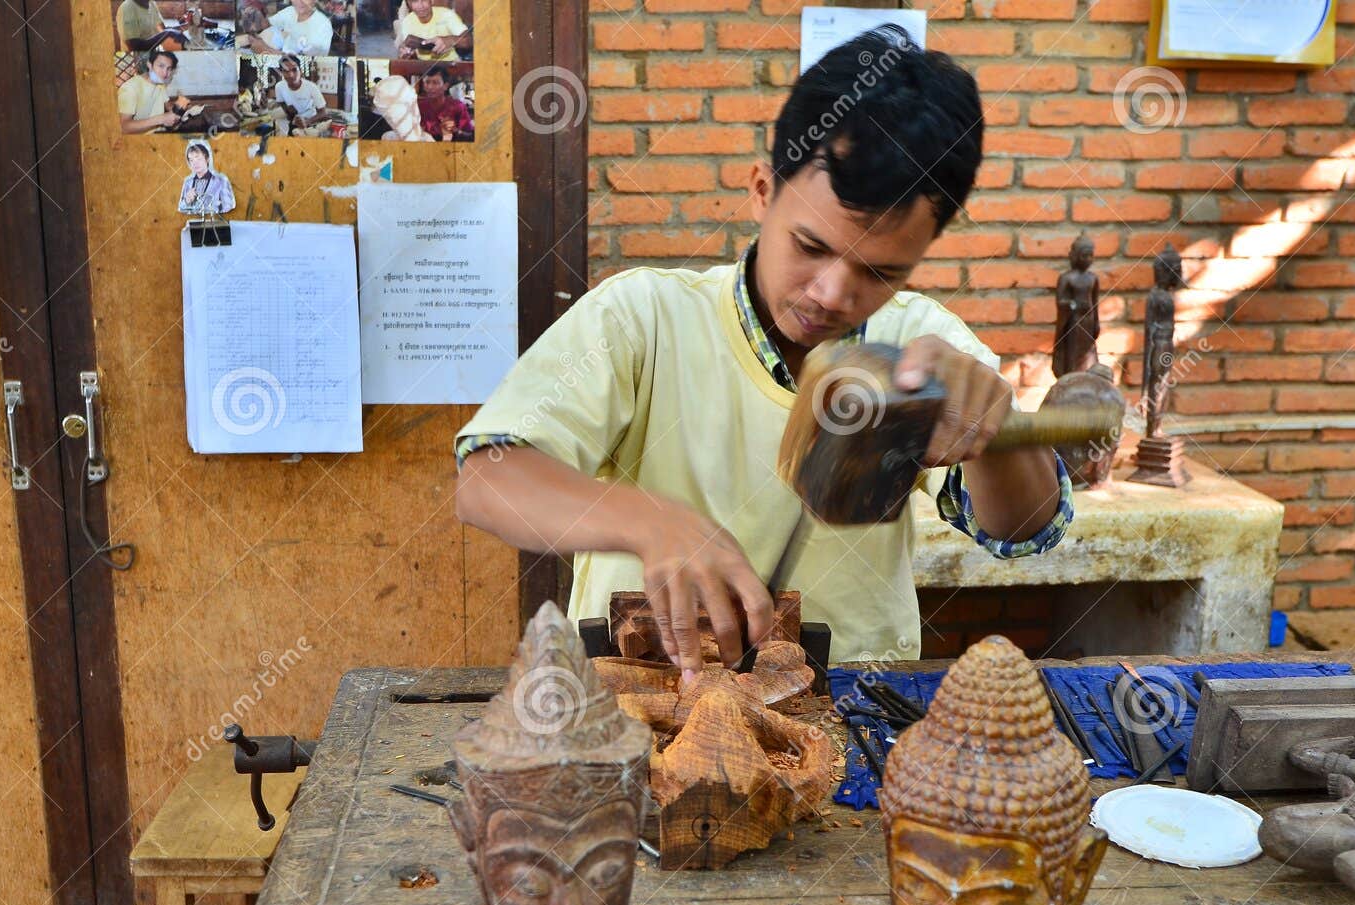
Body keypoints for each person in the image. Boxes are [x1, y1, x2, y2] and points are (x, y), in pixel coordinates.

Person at [454, 27, 1072, 671]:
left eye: (880, 272)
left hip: (851, 709)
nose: (832, 293)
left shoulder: (923, 346)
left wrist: (997, 440)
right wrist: (649, 521)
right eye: (809, 246)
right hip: (646, 703)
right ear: (762, 190)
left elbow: (1022, 531)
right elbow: (487, 478)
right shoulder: (643, 318)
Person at [116, 47, 186, 134]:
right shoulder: (130, 88)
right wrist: (161, 119)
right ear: (149, 65)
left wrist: (179, 106)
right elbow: (123, 127)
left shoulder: (160, 83)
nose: (165, 73)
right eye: (161, 66)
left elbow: (166, 104)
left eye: (169, 68)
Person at [250, 0, 335, 55]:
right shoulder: (290, 11)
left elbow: (305, 64)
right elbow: (268, 24)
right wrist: (258, 18)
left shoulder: (323, 25)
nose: (300, 2)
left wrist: (266, 50)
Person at [273, 54, 328, 134]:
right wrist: (288, 111)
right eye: (286, 71)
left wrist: (307, 121)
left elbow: (323, 112)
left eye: (294, 70)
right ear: (282, 73)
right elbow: (281, 102)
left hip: (311, 121)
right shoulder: (279, 86)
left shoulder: (311, 87)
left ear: (300, 71)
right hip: (293, 122)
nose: (291, 75)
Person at [397, 0, 468, 62]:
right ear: (409, 3)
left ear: (432, 1)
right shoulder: (407, 21)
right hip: (423, 66)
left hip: (450, 64)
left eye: (424, 0)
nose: (420, 6)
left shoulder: (447, 15)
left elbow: (469, 40)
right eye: (415, 1)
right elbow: (413, 54)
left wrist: (451, 40)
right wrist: (407, 53)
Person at [177, 141, 235, 214]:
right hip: (193, 222)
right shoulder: (188, 182)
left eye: (198, 159)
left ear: (207, 159)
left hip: (213, 223)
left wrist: (213, 207)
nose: (195, 163)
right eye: (191, 160)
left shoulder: (221, 181)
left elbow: (228, 207)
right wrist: (186, 201)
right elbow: (181, 208)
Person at [417, 66, 472, 141]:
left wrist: (455, 130)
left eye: (435, 83)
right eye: (427, 82)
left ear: (445, 86)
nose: (429, 87)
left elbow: (470, 136)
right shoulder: (419, 107)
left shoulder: (458, 107)